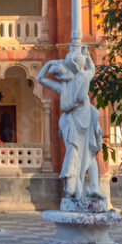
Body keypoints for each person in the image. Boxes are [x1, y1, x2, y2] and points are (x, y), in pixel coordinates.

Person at [37, 46, 103, 203]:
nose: (59, 76)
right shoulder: (76, 81)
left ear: (70, 69)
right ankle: (82, 187)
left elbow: (41, 78)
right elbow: (91, 70)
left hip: (80, 121)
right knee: (83, 154)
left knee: (86, 154)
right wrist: (87, 57)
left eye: (61, 72)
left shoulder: (66, 86)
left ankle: (91, 188)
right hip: (77, 121)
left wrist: (50, 63)